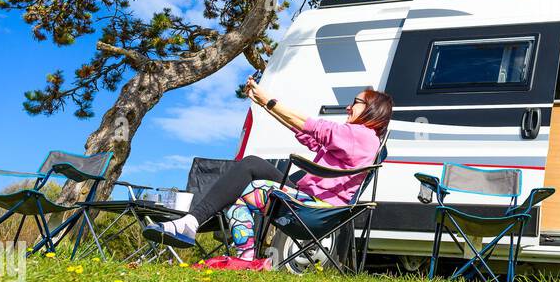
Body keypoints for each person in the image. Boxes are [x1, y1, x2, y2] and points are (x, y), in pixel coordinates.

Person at [142, 80, 392, 260]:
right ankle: (246, 259)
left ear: (372, 108)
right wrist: (264, 107)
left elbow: (312, 126)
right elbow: (304, 133)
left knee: (251, 165)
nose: (349, 107)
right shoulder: (358, 139)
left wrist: (268, 100)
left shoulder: (362, 135)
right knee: (241, 201)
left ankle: (190, 222)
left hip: (314, 207)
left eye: (356, 102)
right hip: (308, 200)